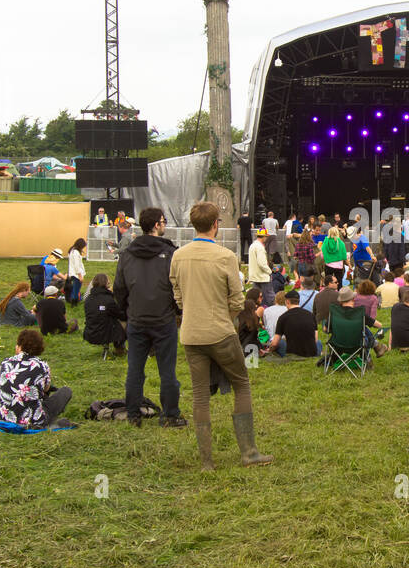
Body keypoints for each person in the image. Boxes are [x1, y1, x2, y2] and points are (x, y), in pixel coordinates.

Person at [170, 200, 272, 469]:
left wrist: (193, 312)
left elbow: (177, 296)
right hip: (221, 332)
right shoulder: (225, 257)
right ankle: (248, 453)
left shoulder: (178, 256)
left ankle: (207, 462)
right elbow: (237, 301)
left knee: (200, 395)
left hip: (191, 334)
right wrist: (224, 318)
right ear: (216, 224)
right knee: (241, 383)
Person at [114, 206, 185, 428]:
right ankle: (170, 415)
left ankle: (133, 414)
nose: (165, 224)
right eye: (163, 221)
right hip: (163, 320)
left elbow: (119, 288)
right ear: (156, 225)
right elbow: (177, 286)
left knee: (135, 369)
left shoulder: (127, 255)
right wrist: (176, 309)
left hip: (136, 319)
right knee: (167, 371)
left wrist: (128, 309)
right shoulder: (170, 254)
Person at [0, 329, 72, 427]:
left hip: (4, 418)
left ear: (19, 346)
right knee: (66, 391)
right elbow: (46, 389)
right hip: (34, 420)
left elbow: (1, 385)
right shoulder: (41, 365)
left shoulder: (5, 363)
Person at [265, 289, 321, 359]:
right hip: (311, 352)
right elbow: (315, 339)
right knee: (319, 342)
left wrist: (269, 350)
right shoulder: (311, 315)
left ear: (287, 302)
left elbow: (275, 343)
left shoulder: (283, 317)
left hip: (293, 353)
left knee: (281, 342)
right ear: (298, 301)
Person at [83, 272, 126, 354]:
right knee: (125, 323)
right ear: (106, 283)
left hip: (90, 332)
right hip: (104, 333)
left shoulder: (88, 299)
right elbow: (120, 315)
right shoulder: (108, 299)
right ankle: (119, 349)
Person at [66, 238, 87, 304]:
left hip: (73, 273)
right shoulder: (76, 252)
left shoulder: (72, 250)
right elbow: (77, 265)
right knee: (76, 290)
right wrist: (80, 275)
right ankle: (74, 303)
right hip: (76, 274)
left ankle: (74, 300)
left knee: (75, 289)